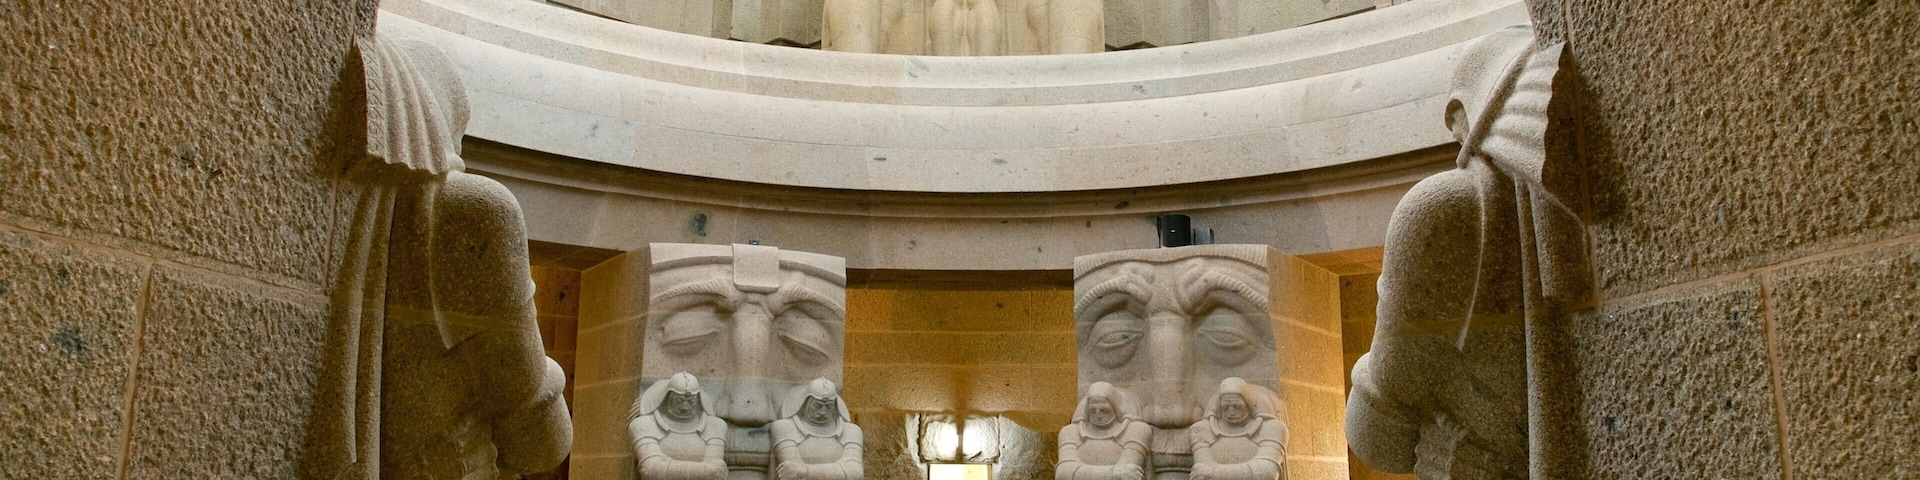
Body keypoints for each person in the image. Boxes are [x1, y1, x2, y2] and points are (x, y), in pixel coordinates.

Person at [630, 372, 731, 480]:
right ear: (667, 397)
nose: (685, 407)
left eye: (691, 401)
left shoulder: (715, 426)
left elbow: (718, 472)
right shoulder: (644, 424)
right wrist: (706, 470)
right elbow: (652, 470)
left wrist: (669, 469)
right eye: (679, 401)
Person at [1188, 378, 1286, 480]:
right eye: (1226, 407)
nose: (1231, 412)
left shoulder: (1271, 428)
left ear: (1248, 403)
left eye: (1236, 406)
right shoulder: (1201, 430)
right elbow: (1200, 473)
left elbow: (1267, 472)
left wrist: (1213, 472)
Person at [768, 378, 865, 480]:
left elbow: (856, 473)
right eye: (817, 405)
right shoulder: (784, 428)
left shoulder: (851, 431)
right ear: (805, 402)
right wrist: (839, 471)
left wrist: (806, 471)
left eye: (829, 406)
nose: (823, 411)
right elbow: (791, 472)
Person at [1055, 382, 1153, 480]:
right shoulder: (1070, 432)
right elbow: (1063, 473)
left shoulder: (1136, 430)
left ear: (1115, 407)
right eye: (1093, 411)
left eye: (1104, 410)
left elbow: (1129, 473)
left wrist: (1080, 473)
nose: (1098, 415)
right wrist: (1113, 473)